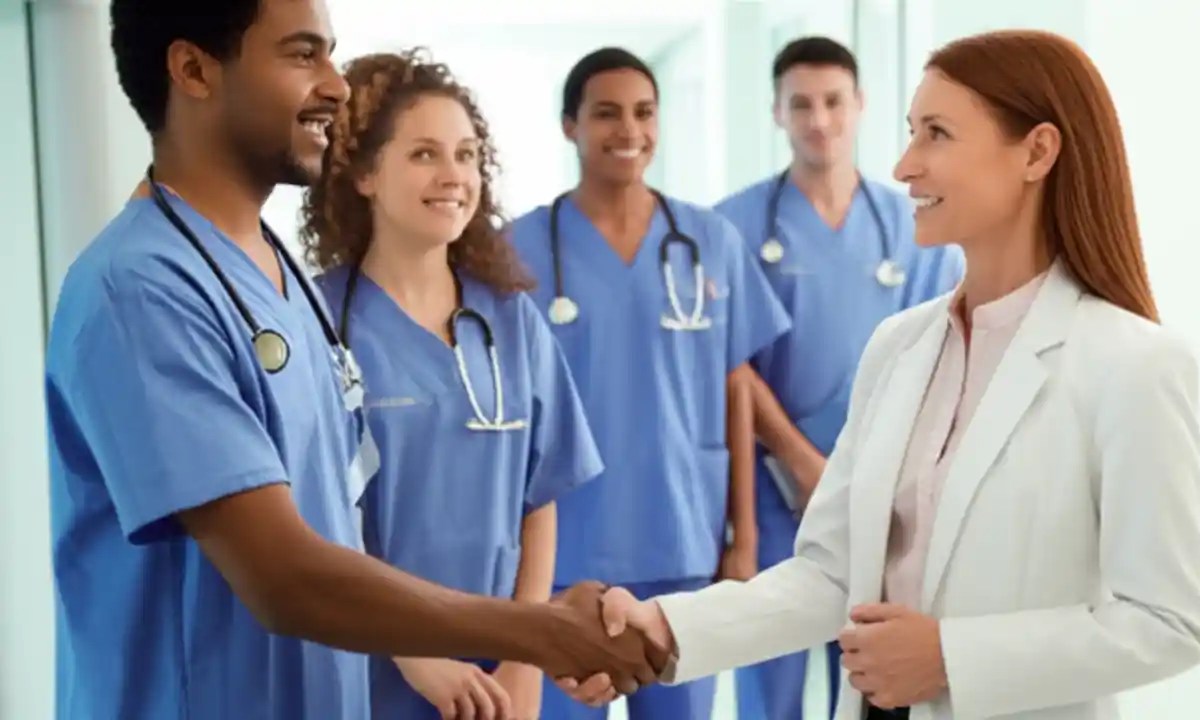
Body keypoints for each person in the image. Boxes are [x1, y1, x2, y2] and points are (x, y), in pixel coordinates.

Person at [562, 29, 1200, 720]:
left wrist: (949, 658)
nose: (905, 164)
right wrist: (666, 628)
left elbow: (1169, 623)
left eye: (936, 134)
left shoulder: (1132, 364)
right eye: (910, 132)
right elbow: (832, 576)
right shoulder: (900, 347)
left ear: (1037, 151)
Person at [44, 3, 663, 719]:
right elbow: (285, 579)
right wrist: (541, 632)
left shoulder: (286, 284)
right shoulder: (141, 290)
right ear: (193, 70)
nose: (338, 86)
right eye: (302, 55)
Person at [299, 48, 605, 720]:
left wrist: (527, 659)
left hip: (500, 674)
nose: (453, 175)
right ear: (364, 174)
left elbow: (538, 497)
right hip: (367, 667)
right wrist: (413, 651)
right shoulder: (314, 323)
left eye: (466, 154)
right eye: (424, 155)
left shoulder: (511, 320)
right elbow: (310, 523)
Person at [506, 47, 791, 720]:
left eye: (643, 112)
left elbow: (735, 389)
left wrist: (743, 540)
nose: (627, 130)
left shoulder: (708, 240)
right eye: (606, 113)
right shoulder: (515, 251)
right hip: (563, 561)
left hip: (682, 545)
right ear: (569, 126)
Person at [713, 36, 963, 720]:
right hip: (774, 491)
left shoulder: (914, 222)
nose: (818, 119)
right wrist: (801, 461)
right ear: (777, 113)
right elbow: (730, 361)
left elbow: (947, 348)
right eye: (801, 104)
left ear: (860, 106)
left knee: (875, 680)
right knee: (771, 684)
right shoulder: (734, 226)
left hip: (891, 492)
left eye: (832, 101)